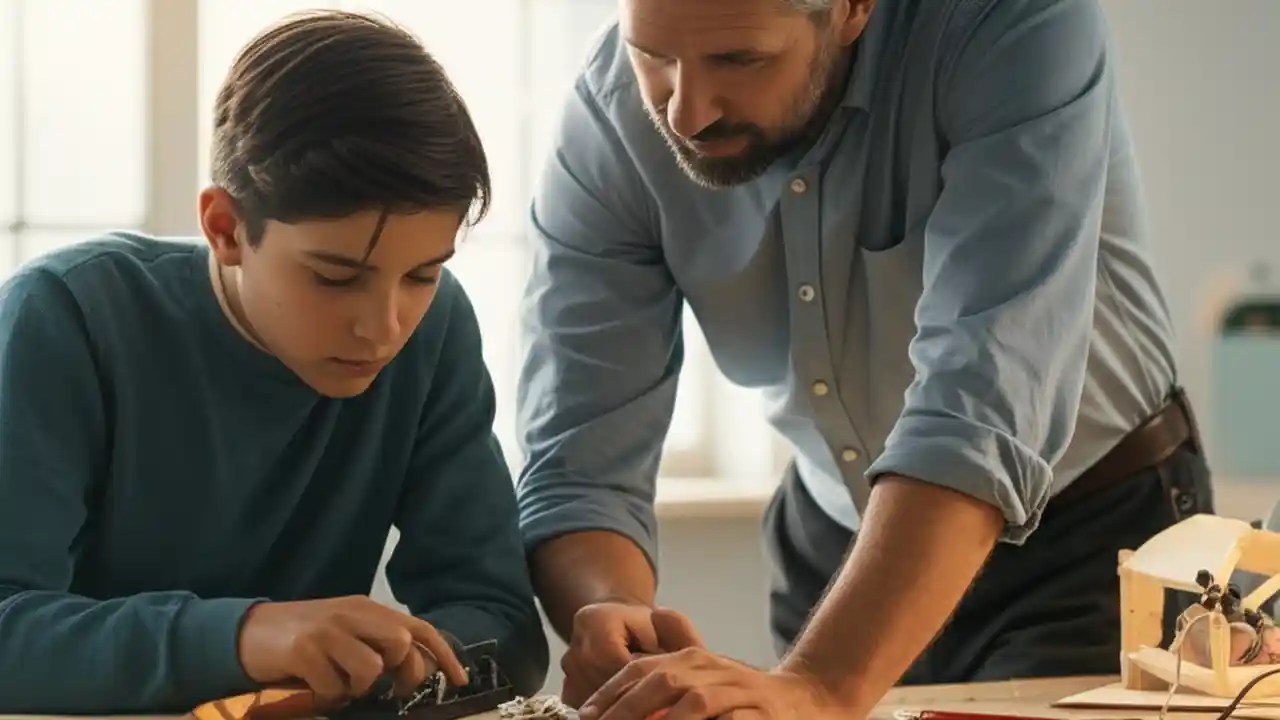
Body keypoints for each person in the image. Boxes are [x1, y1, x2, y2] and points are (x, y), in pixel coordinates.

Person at [515, 0, 1214, 717]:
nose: (686, 113)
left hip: (1091, 543)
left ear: (852, 10)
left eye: (738, 60)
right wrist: (612, 610)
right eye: (653, 57)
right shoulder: (608, 114)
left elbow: (982, 399)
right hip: (833, 544)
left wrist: (822, 682)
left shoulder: (1018, 23)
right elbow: (577, 452)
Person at [0, 10, 547, 715]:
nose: (384, 329)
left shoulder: (435, 331)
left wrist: (393, 668)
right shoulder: (65, 317)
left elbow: (500, 622)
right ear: (225, 229)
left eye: (422, 274)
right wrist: (249, 636)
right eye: (335, 276)